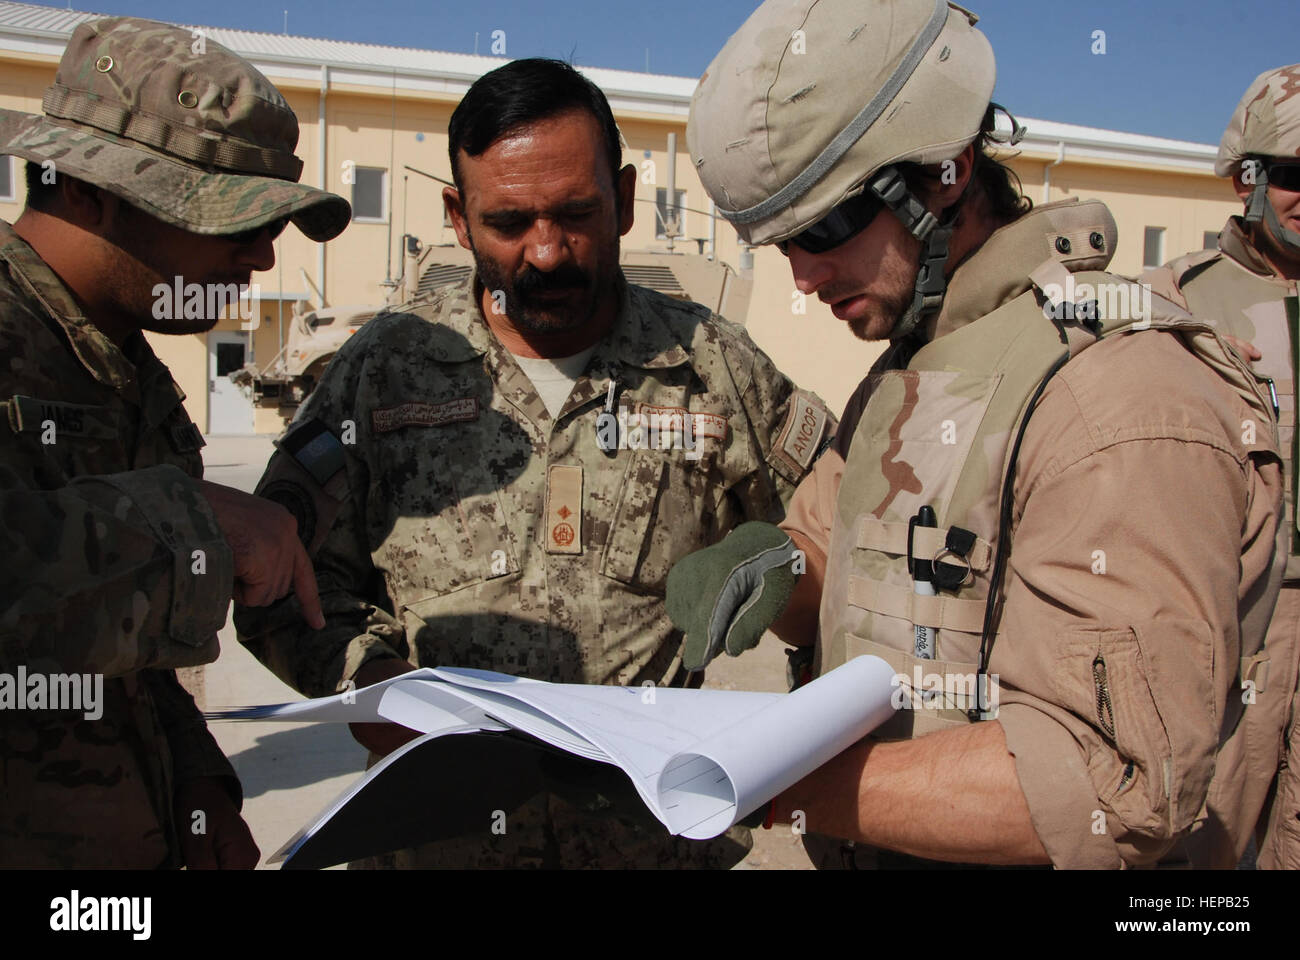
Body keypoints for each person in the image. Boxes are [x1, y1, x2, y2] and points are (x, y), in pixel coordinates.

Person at [672, 0, 1286, 868]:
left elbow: (1108, 780)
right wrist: (774, 564)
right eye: (781, 246)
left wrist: (778, 782)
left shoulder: (1116, 395)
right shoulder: (916, 366)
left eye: (825, 228)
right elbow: (830, 545)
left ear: (946, 170)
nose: (804, 276)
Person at [234, 57, 834, 868]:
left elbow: (847, 533)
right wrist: (376, 687)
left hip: (651, 844)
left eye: (577, 213)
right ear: (457, 215)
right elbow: (277, 579)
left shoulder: (713, 365)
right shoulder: (383, 372)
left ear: (623, 199)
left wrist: (779, 575)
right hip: (433, 846)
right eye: (509, 223)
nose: (547, 253)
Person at [0, 17, 348, 868]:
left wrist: (196, 787)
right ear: (86, 188)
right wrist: (193, 525)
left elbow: (130, 668)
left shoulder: (130, 370)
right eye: (233, 221)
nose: (263, 259)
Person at [1142, 64, 1300, 870]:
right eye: (1294, 175)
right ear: (1250, 180)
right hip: (1233, 622)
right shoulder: (1177, 302)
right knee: (1201, 846)